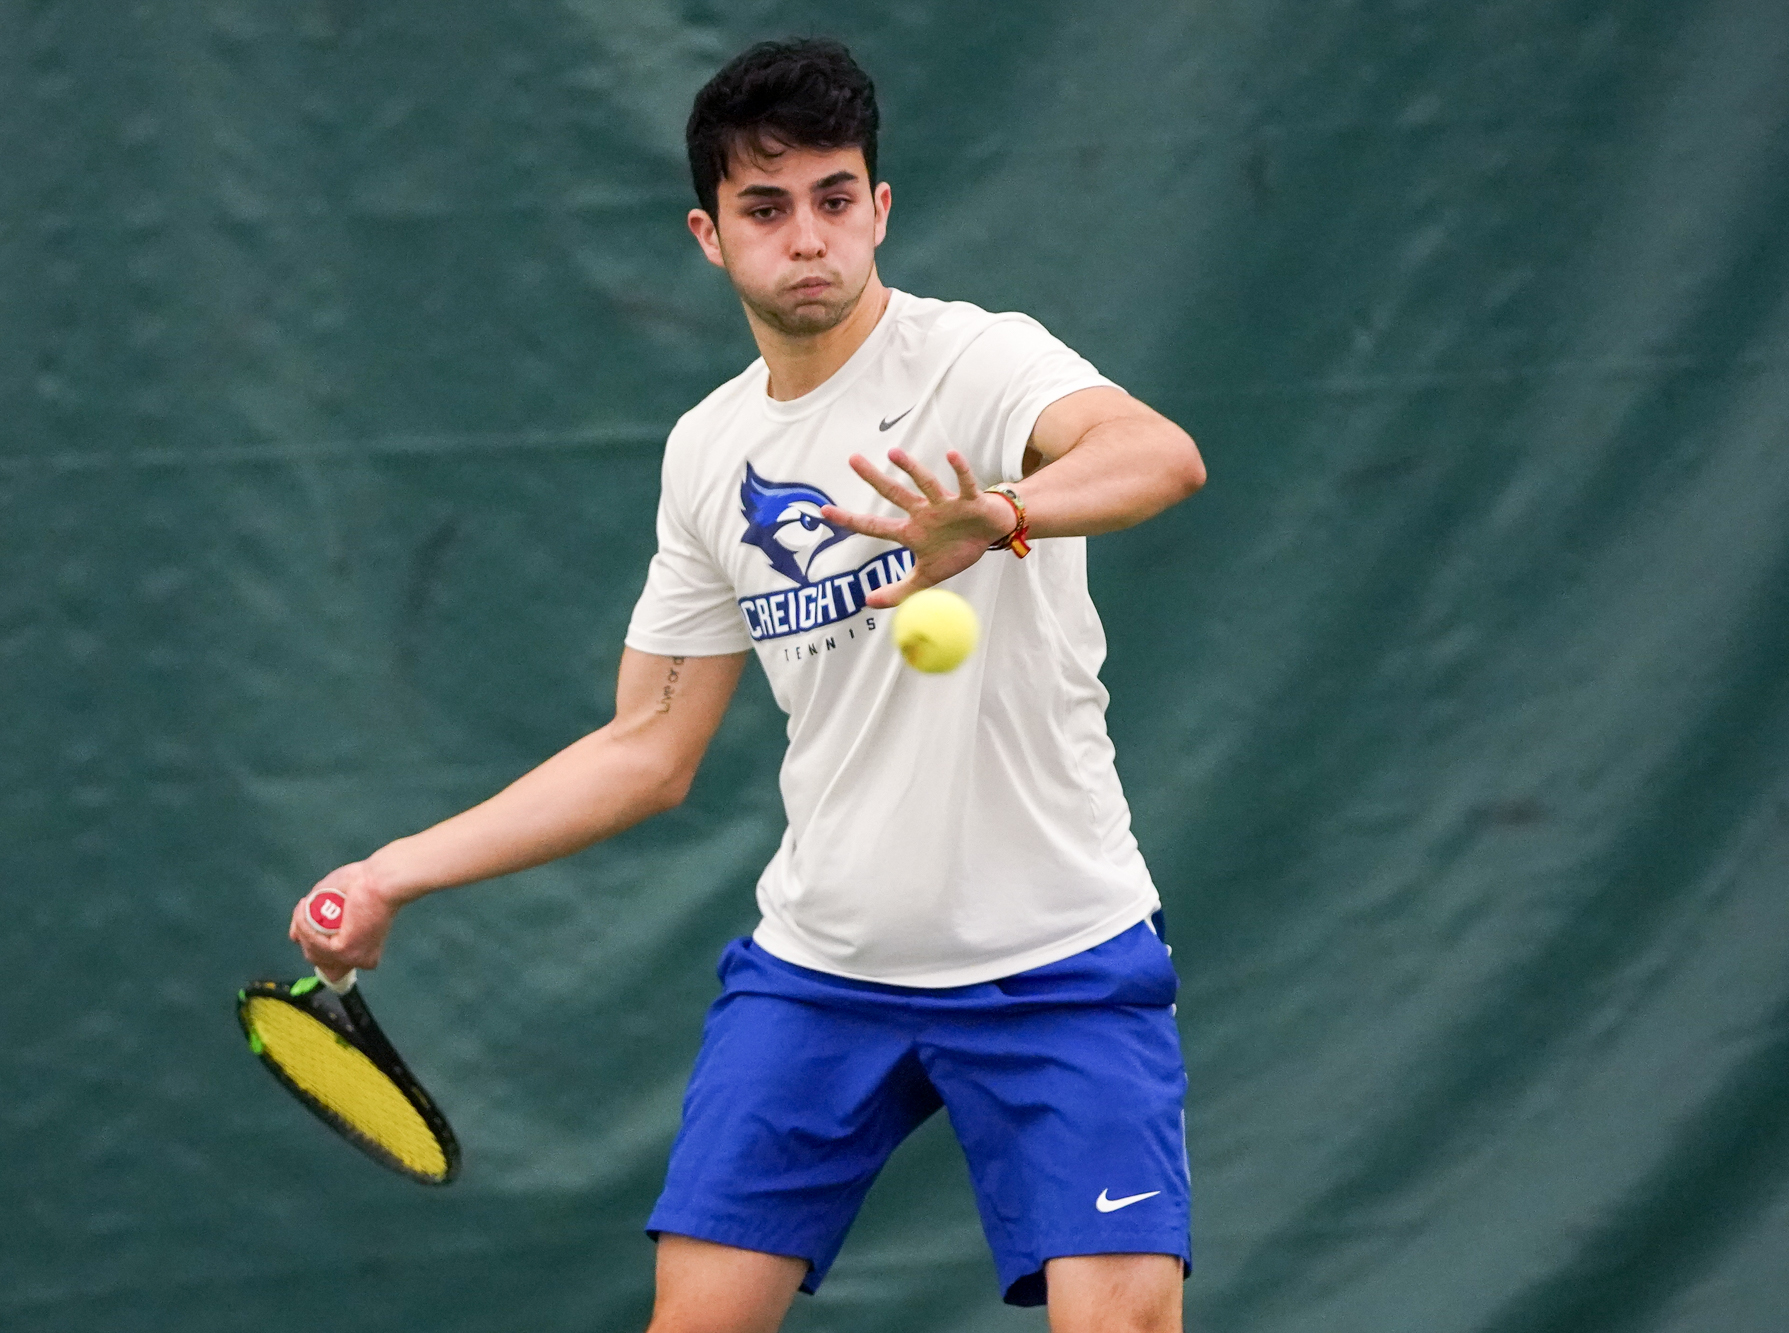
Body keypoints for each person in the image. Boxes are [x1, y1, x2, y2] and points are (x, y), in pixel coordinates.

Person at [290, 37, 1205, 1333]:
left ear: (880, 209)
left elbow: (1157, 455)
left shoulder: (982, 362)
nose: (810, 237)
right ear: (710, 236)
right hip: (823, 967)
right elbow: (646, 746)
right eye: (766, 209)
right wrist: (393, 872)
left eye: (837, 198)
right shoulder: (710, 453)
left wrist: (999, 513)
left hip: (1057, 957)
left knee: (1124, 1323)